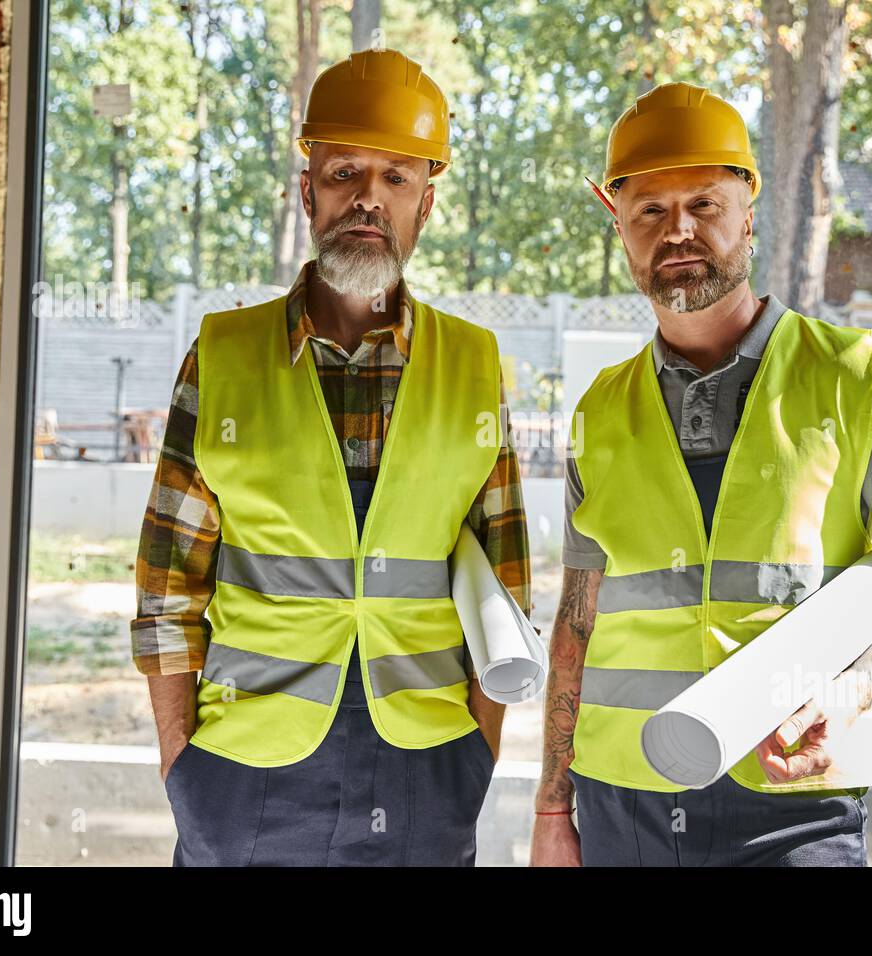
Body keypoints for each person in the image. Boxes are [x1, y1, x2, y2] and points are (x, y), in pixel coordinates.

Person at [530, 81, 872, 867]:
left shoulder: (856, 377)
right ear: (619, 225)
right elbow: (576, 626)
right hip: (621, 807)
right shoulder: (600, 410)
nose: (677, 230)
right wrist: (552, 805)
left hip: (793, 810)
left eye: (703, 204)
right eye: (649, 209)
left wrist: (855, 689)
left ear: (749, 210)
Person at [130, 49, 530, 866]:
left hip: (428, 770)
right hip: (244, 771)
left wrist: (476, 761)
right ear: (306, 188)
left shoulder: (474, 365)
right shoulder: (222, 356)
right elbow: (168, 592)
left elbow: (508, 588)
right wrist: (184, 769)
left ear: (426, 205)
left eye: (396, 178)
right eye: (345, 170)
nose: (368, 198)